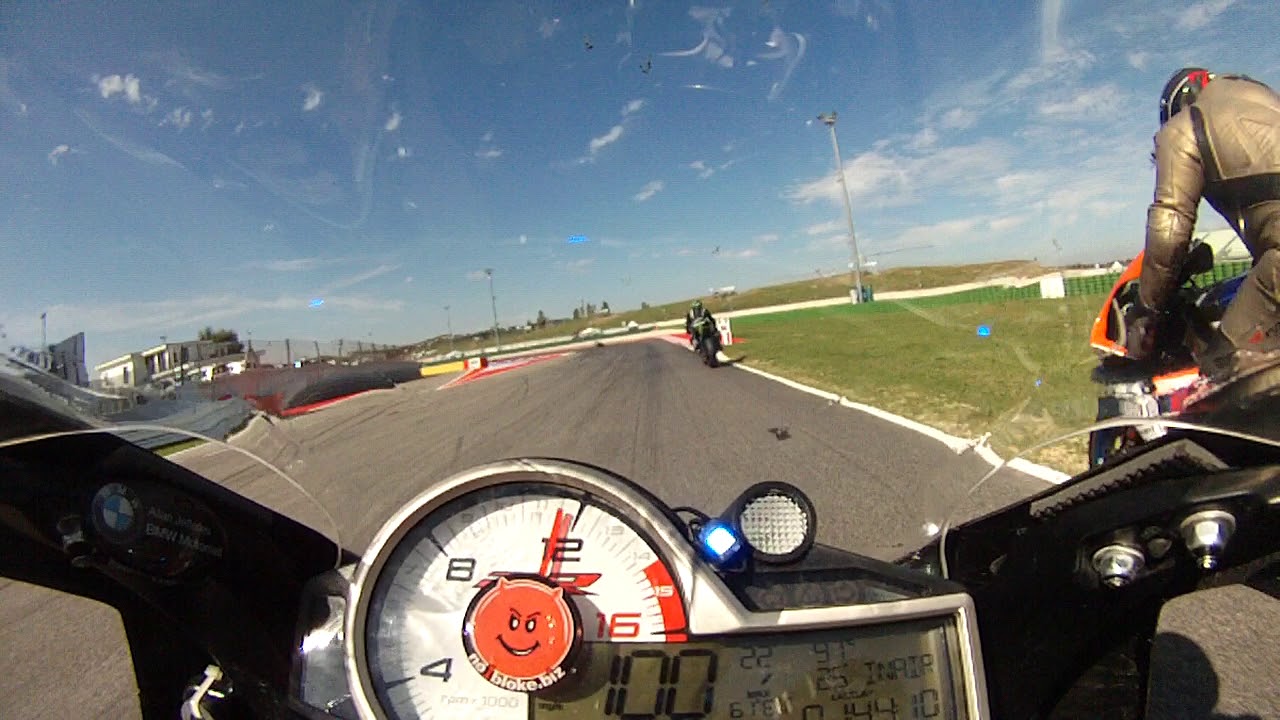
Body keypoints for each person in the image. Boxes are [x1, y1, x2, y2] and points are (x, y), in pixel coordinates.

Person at [1128, 67, 1280, 384]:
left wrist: (1145, 310)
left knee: (1224, 369)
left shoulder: (1184, 125)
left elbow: (1170, 228)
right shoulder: (1262, 97)